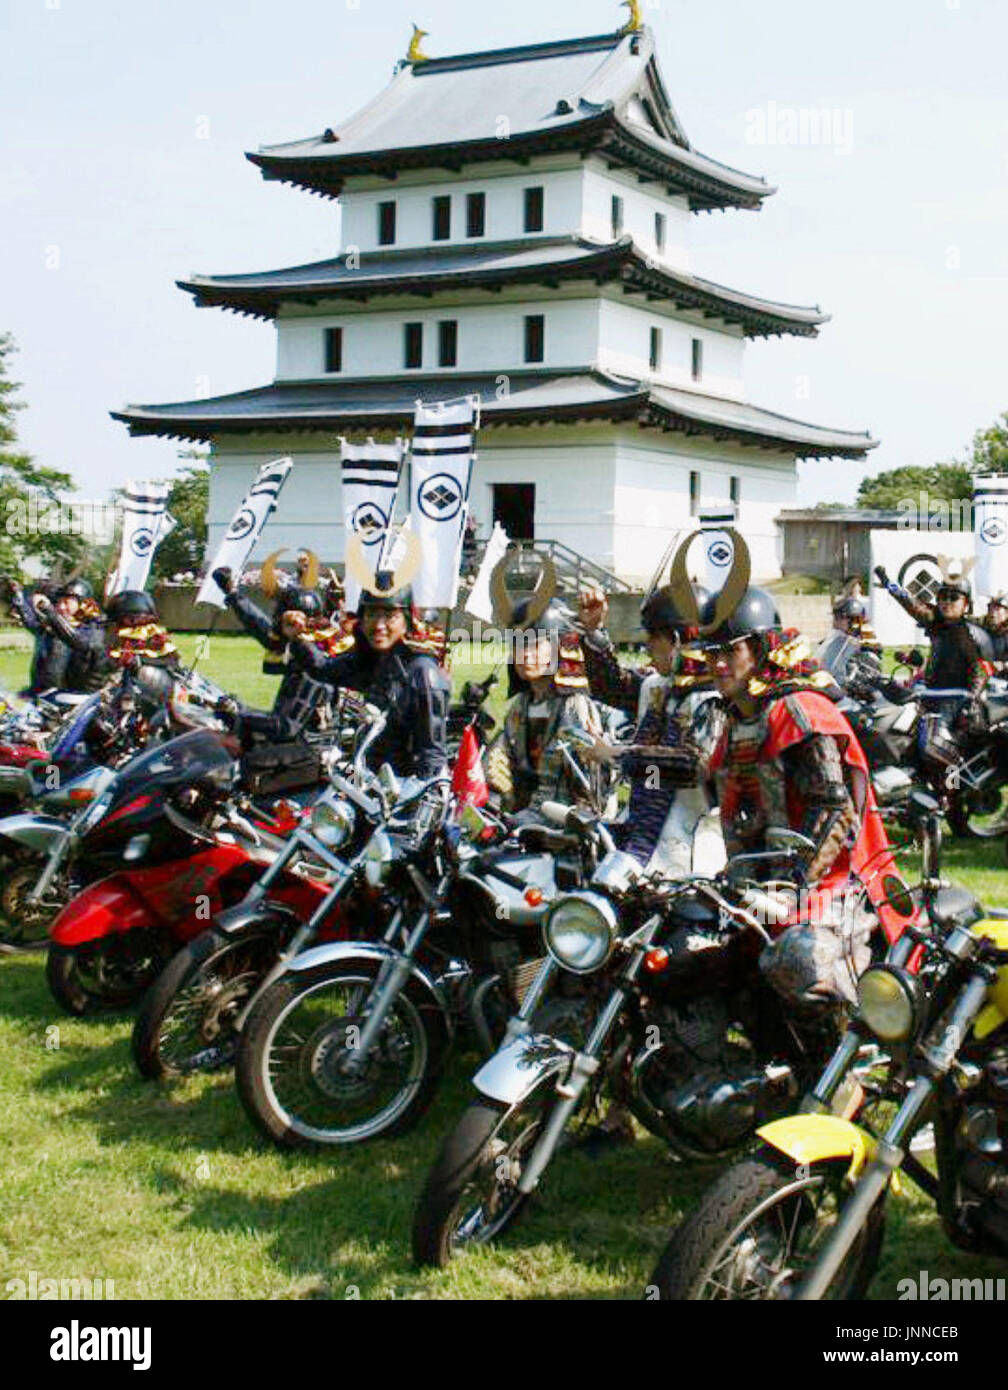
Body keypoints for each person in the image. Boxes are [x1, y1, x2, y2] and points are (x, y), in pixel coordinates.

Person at [700, 586, 910, 1009]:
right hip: (758, 881)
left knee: (799, 964)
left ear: (760, 650)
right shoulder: (738, 716)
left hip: (832, 884)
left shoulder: (798, 710)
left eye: (731, 650)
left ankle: (842, 1062)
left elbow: (833, 808)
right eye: (710, 652)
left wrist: (791, 884)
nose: (719, 663)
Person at [576, 580, 725, 875]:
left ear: (677, 640)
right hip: (639, 834)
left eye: (654, 637)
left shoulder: (714, 699)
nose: (647, 646)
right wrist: (594, 631)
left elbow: (691, 763)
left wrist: (618, 754)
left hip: (689, 847)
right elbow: (612, 687)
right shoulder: (657, 687)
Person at [284, 582, 450, 779]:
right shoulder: (369, 659)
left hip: (403, 789)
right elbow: (323, 669)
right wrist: (297, 637)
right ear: (361, 620)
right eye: (371, 614)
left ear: (406, 621)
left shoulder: (422, 673)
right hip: (365, 779)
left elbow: (432, 755)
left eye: (389, 616)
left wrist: (415, 800)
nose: (379, 625)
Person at [484, 595, 622, 817]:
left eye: (536, 644)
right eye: (520, 644)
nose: (527, 655)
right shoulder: (521, 705)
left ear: (559, 647)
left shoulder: (573, 707)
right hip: (522, 815)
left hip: (565, 818)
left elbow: (582, 788)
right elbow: (501, 761)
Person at [213, 566, 351, 730]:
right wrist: (233, 594)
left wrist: (238, 714)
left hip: (311, 746)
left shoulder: (310, 668)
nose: (278, 628)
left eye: (285, 623)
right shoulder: (308, 645)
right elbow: (259, 626)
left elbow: (286, 727)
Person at [875, 565, 991, 703]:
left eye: (953, 597)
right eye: (943, 596)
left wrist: (973, 699)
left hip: (961, 698)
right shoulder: (934, 620)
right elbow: (910, 602)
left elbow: (980, 669)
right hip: (932, 692)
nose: (947, 602)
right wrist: (889, 584)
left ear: (966, 604)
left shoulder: (976, 629)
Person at [4, 576, 98, 696]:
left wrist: (49, 609)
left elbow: (76, 639)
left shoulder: (86, 631)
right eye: (60, 601)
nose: (61, 606)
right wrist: (18, 597)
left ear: (82, 605)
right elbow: (32, 623)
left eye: (67, 602)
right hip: (38, 689)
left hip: (64, 696)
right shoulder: (52, 625)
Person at [982, 590, 1008, 666]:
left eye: (997, 609)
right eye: (991, 607)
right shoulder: (982, 632)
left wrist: (1003, 665)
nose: (993, 612)